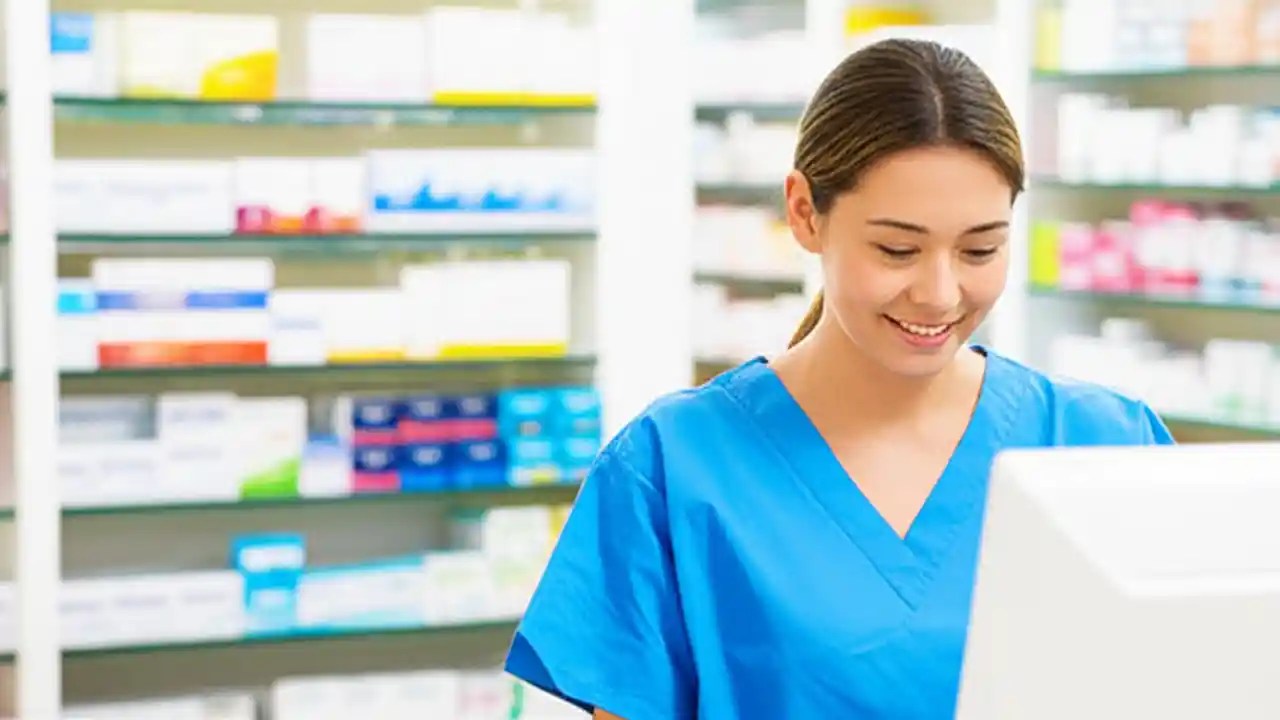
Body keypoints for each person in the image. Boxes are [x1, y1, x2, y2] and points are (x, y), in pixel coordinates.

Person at [504, 38, 1174, 719]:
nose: (940, 294)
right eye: (897, 249)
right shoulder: (671, 468)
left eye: (981, 248)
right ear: (804, 213)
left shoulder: (1106, 444)